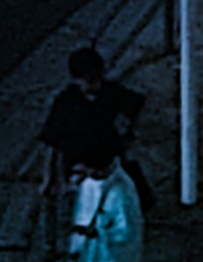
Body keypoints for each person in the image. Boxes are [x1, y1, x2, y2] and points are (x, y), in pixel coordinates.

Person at [34, 49, 140, 191]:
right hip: (80, 169)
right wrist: (48, 179)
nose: (96, 85)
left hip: (112, 165)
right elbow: (53, 143)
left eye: (99, 78)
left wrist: (128, 133)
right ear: (77, 80)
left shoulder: (111, 92)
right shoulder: (66, 102)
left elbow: (138, 109)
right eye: (90, 80)